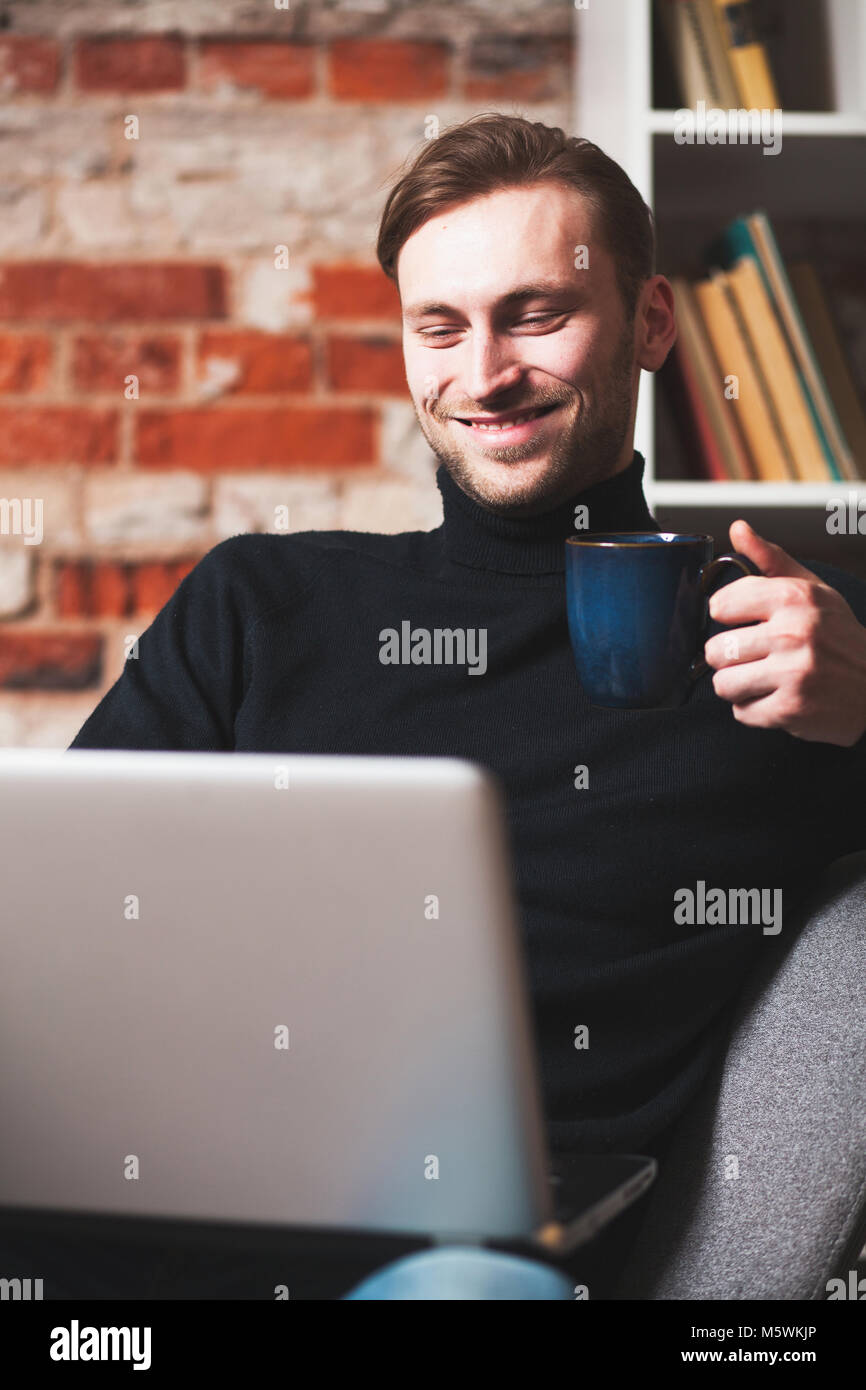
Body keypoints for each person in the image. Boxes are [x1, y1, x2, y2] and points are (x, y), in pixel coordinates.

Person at [18, 113, 866, 1300]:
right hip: (159, 1188)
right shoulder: (260, 606)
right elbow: (51, 924)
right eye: (440, 327)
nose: (483, 374)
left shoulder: (783, 635)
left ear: (651, 323)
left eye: (535, 313)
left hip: (468, 1258)